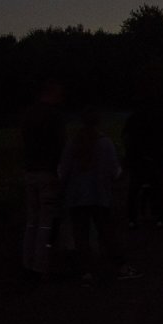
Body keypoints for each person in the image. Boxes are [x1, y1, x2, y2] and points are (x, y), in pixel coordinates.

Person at [58, 108, 140, 284]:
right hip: (100, 195)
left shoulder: (73, 143)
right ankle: (121, 266)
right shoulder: (105, 143)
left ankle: (85, 271)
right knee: (107, 232)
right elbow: (115, 172)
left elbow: (62, 171)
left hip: (76, 197)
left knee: (81, 235)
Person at [21, 80, 66, 278]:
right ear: (51, 93)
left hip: (30, 171)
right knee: (46, 221)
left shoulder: (28, 114)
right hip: (47, 172)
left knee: (32, 220)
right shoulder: (54, 116)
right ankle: (41, 265)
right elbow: (60, 146)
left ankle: (27, 262)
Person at [122, 96, 163, 229]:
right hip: (153, 159)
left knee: (134, 189)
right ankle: (158, 216)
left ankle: (132, 218)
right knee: (157, 189)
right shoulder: (159, 118)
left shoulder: (133, 118)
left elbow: (126, 138)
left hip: (138, 159)